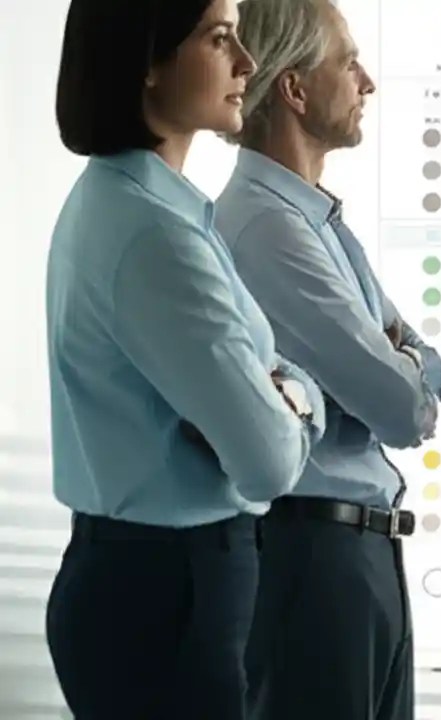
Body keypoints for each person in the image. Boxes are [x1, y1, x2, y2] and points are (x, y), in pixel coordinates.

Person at [44, 1, 327, 717]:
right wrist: (298, 399)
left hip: (136, 579)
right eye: (219, 38)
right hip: (173, 589)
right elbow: (266, 462)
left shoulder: (125, 202)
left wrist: (280, 391)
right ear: (148, 60)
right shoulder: (156, 236)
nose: (248, 64)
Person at [213, 1, 441, 717]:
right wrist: (412, 369)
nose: (368, 81)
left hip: (355, 554)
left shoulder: (313, 220)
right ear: (294, 90)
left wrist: (409, 360)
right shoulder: (268, 227)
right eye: (348, 62)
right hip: (312, 556)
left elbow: (419, 356)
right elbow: (403, 406)